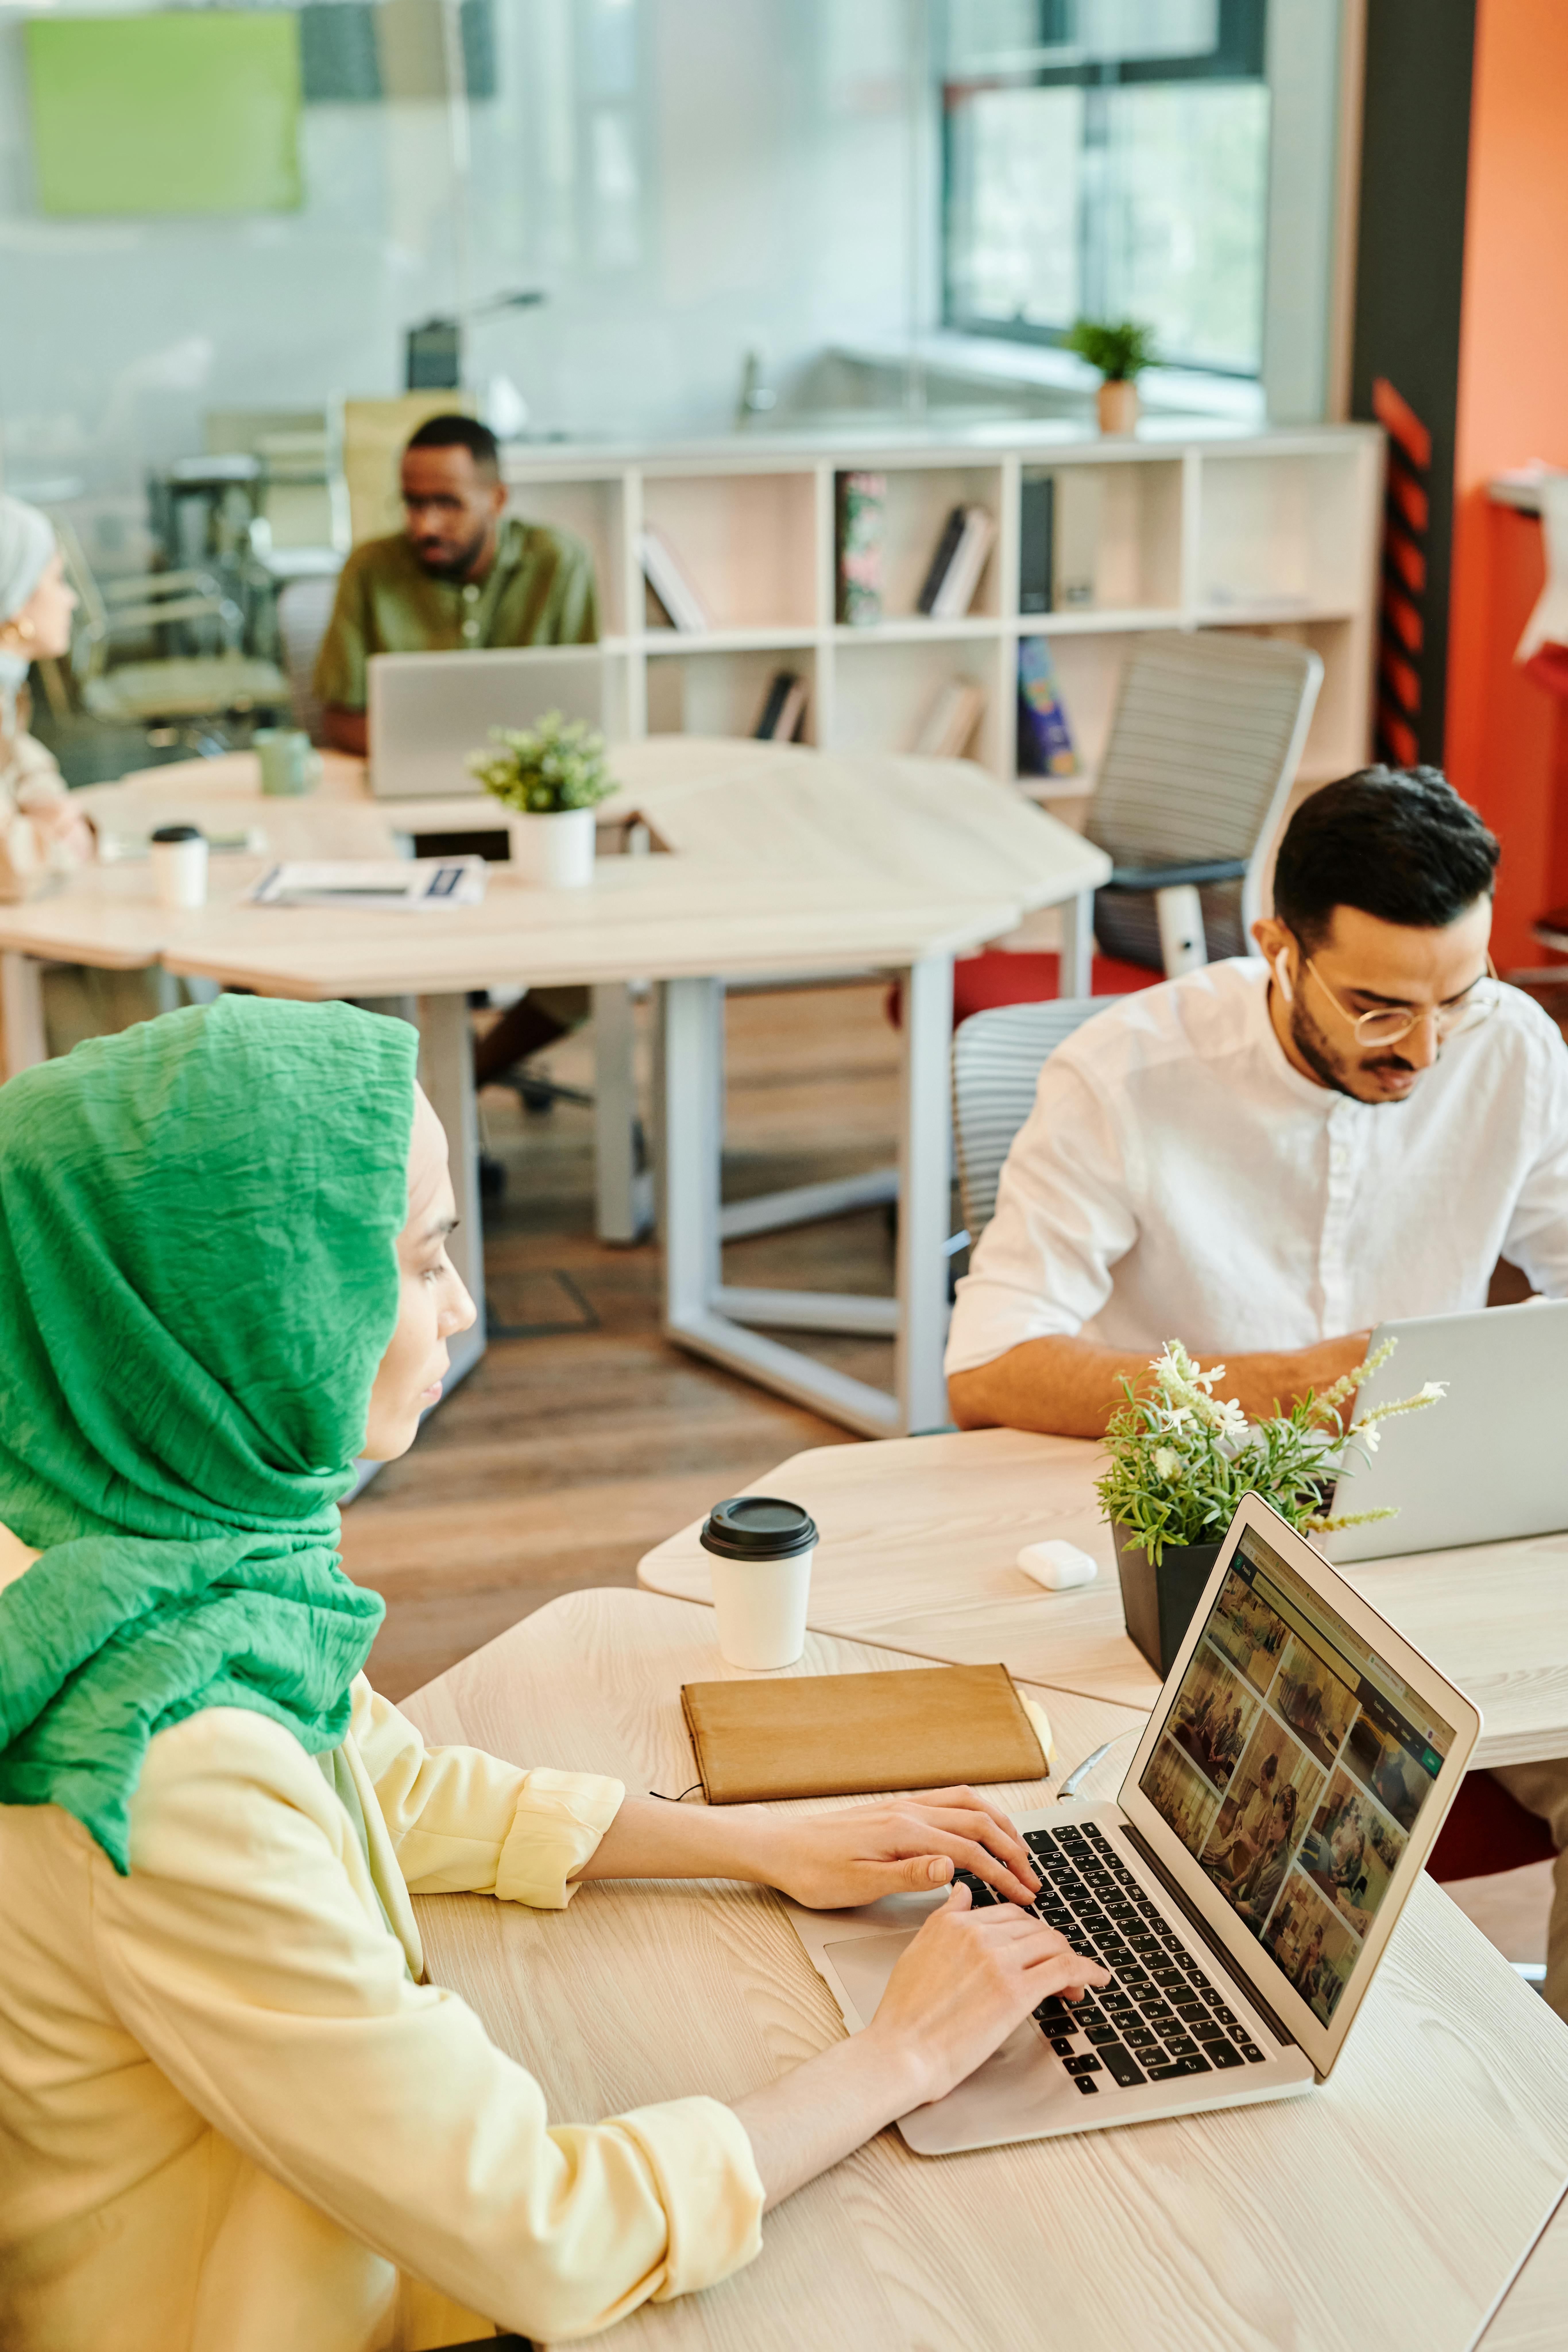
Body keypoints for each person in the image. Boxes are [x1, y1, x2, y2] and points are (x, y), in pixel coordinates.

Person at [0, 997, 1104, 2351]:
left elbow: (386, 1787)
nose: (463, 1306)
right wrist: (904, 2052)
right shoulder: (164, 1747)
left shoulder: (136, 1542)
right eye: (425, 1259)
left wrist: (757, 1842)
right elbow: (544, 2231)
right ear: (260, 1304)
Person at [946, 765, 1568, 1438]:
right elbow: (987, 1368)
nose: (1423, 1052)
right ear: (1278, 952)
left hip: (1419, 1470)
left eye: (1455, 1000)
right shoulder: (1121, 1073)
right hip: (1176, 1480)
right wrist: (1289, 1389)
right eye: (1377, 1010)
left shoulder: (1514, 1048)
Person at [314, 413, 600, 1083]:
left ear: (496, 498)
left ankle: (460, 1080)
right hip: (402, 827)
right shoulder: (370, 569)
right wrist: (438, 761)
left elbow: (582, 713)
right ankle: (413, 1086)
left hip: (523, 819)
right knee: (331, 951)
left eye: (447, 503)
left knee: (595, 962)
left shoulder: (559, 563)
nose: (426, 524)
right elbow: (339, 716)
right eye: (413, 503)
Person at [0, 496, 178, 1055]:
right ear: (15, 602)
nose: (71, 599)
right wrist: (60, 839)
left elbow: (19, 757)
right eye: (56, 581)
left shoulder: (7, 682)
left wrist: (50, 810)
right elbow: (10, 866)